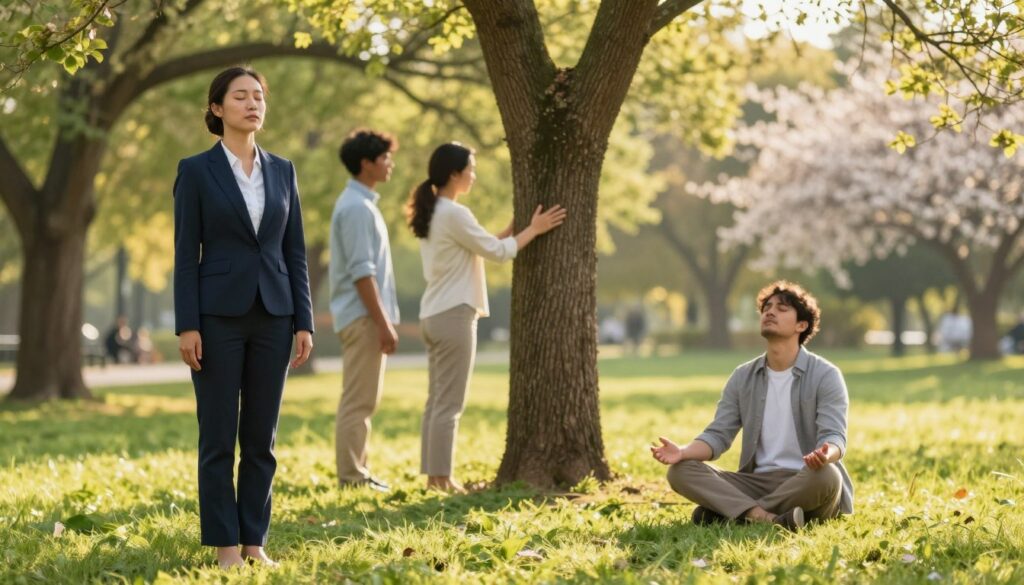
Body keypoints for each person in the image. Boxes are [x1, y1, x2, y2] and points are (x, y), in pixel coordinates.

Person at [173, 66, 314, 568]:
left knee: (261, 437)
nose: (253, 104)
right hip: (216, 320)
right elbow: (185, 252)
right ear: (217, 108)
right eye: (241, 96)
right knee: (217, 437)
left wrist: (304, 320)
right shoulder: (195, 170)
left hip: (275, 316)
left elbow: (293, 249)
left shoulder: (284, 170)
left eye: (259, 97)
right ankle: (226, 546)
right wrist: (187, 324)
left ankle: (254, 542)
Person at [407, 142, 566, 493]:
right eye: (470, 169)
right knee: (449, 403)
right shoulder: (453, 213)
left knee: (436, 401)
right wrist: (534, 229)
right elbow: (497, 253)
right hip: (454, 316)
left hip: (434, 314)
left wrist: (513, 229)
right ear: (454, 174)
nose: (474, 176)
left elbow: (479, 246)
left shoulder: (436, 212)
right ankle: (442, 479)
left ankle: (435, 476)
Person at [651, 281, 853, 531]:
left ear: (801, 325)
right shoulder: (742, 376)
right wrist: (682, 452)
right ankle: (767, 518)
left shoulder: (825, 375)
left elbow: (834, 437)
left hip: (806, 479)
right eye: (767, 307)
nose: (770, 312)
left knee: (828, 475)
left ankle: (732, 513)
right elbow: (718, 435)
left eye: (781, 308)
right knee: (680, 471)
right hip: (755, 481)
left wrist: (826, 455)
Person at [329, 129, 400, 492]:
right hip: (363, 316)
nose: (390, 163)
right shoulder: (356, 208)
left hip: (363, 316)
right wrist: (383, 323)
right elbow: (362, 272)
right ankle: (352, 476)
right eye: (385, 157)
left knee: (362, 399)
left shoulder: (362, 204)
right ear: (366, 163)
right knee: (359, 400)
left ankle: (358, 470)